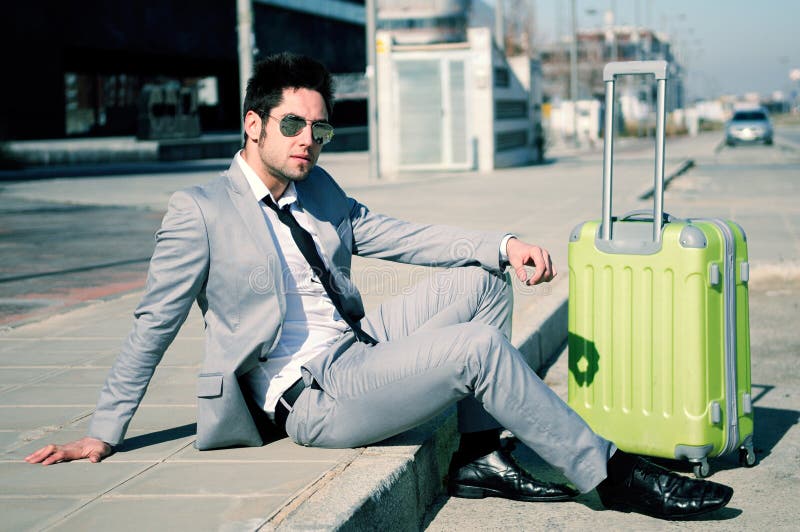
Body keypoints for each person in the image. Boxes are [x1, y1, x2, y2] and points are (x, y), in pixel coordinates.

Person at [26, 52, 733, 520]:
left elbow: (402, 236)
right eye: (292, 124)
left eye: (319, 128)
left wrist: (502, 245)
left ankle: (480, 459)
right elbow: (154, 321)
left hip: (360, 346)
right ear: (253, 124)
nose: (308, 140)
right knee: (475, 350)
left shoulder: (319, 187)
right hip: (316, 398)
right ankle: (611, 476)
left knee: (484, 284)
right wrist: (102, 434)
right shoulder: (199, 211)